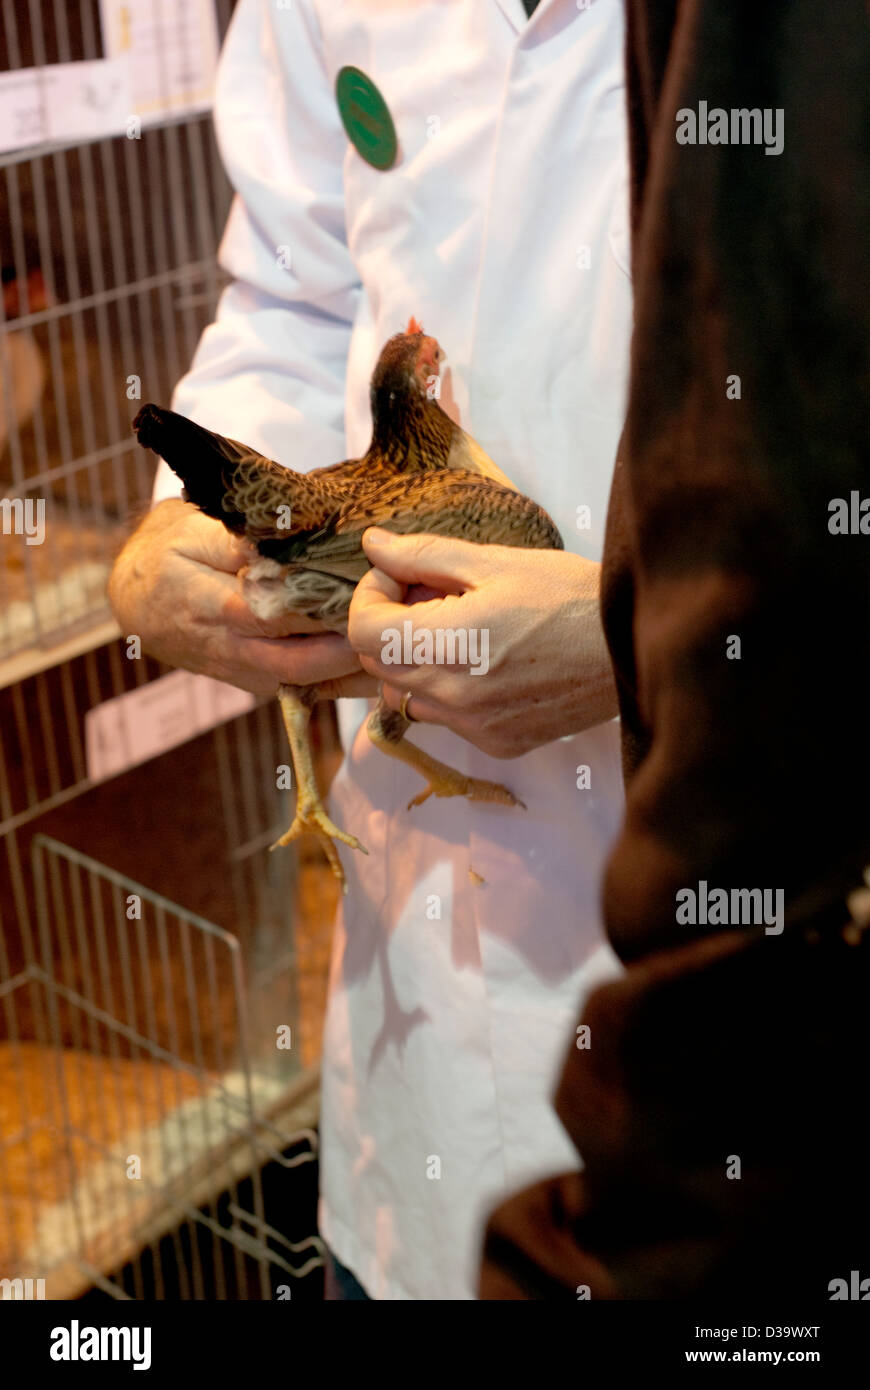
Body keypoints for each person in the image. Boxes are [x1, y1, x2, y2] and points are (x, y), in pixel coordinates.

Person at [109, 0, 633, 1299]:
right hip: (415, 1050)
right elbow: (293, 290)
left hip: (730, 1035)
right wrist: (184, 530)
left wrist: (641, 640)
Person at [480, 0, 870, 1299]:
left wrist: (613, 633)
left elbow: (779, 534)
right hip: (450, 968)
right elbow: (292, 277)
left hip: (718, 1063)